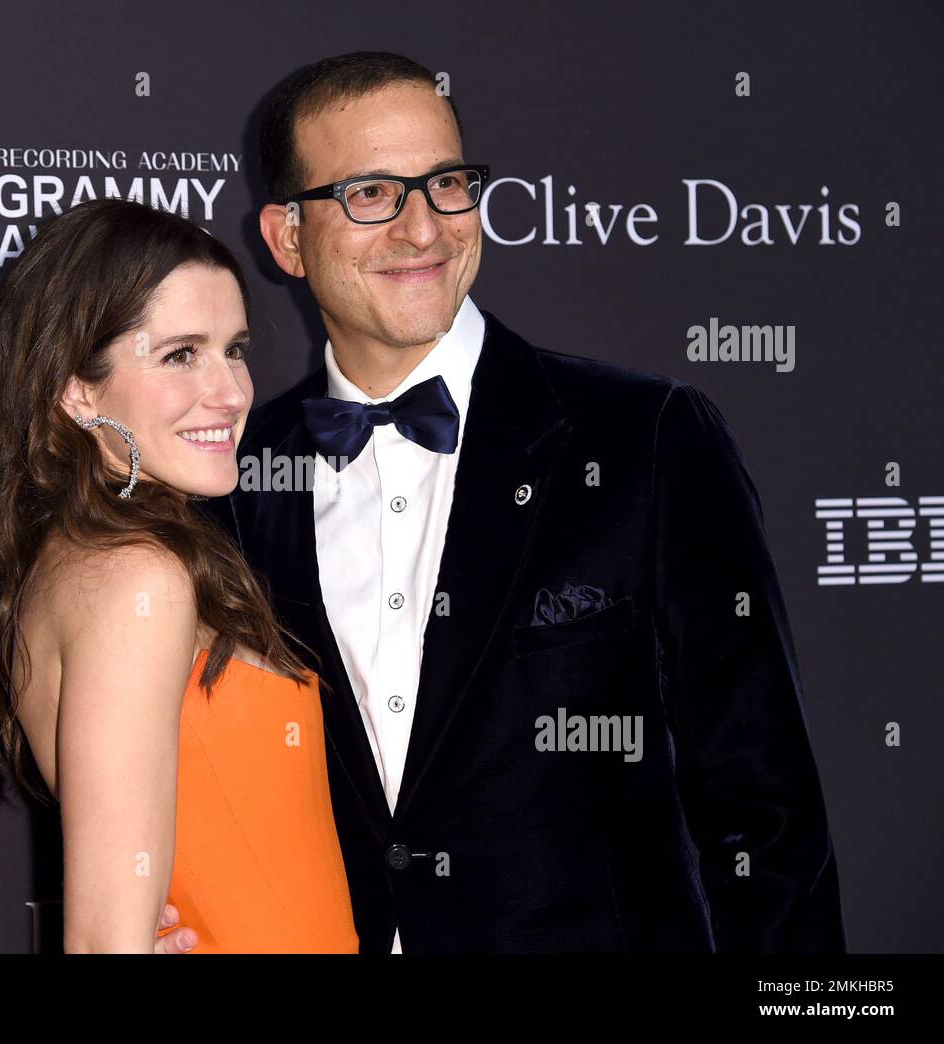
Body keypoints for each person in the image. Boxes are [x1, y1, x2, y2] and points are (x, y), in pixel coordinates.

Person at [186, 51, 847, 953]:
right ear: (288, 239)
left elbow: (766, 812)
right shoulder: (230, 480)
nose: (423, 229)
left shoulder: (646, 439)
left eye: (448, 185)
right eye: (373, 193)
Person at [0, 197, 358, 953]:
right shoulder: (138, 579)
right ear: (77, 389)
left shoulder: (103, 560)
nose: (233, 393)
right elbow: (103, 941)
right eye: (181, 354)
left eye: (235, 350)